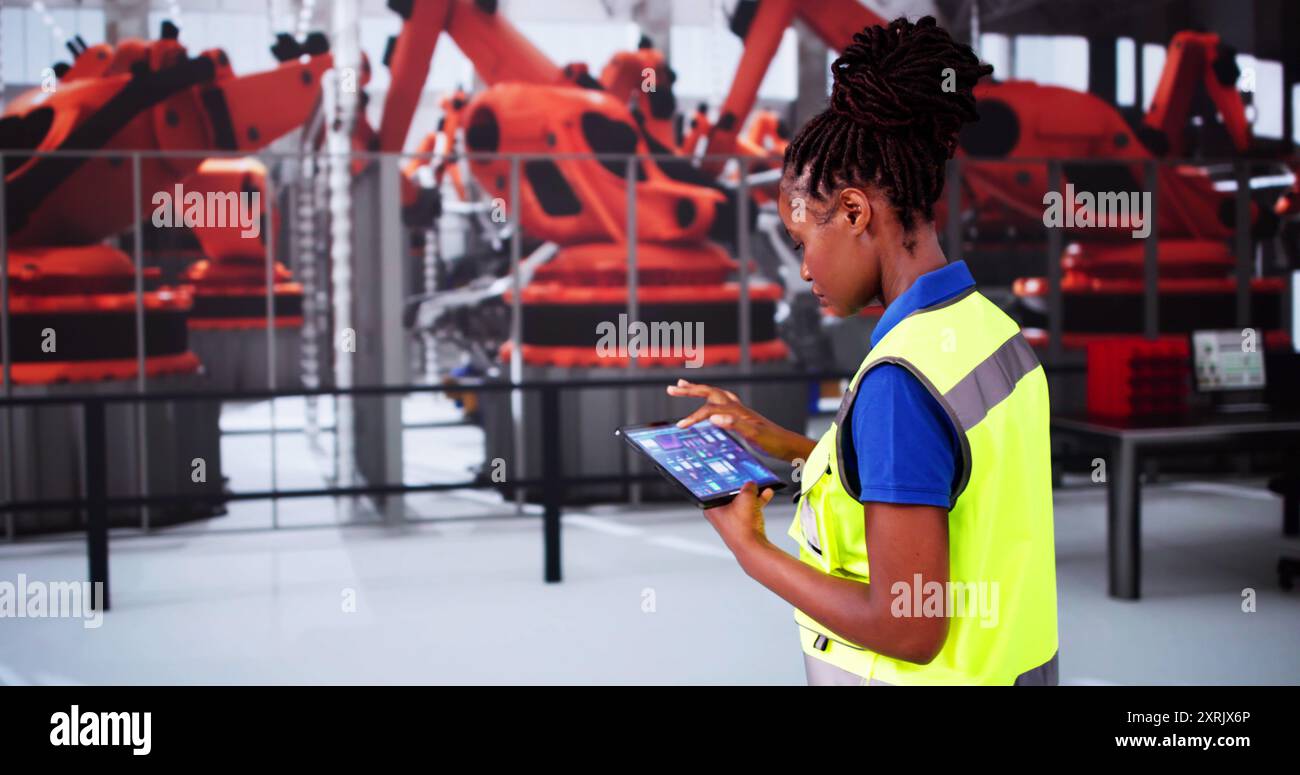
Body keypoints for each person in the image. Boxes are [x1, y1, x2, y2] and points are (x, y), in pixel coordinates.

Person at [668, 15, 1058, 685]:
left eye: (803, 244)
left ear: (853, 213)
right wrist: (785, 443)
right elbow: (936, 476)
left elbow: (905, 626)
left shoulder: (901, 382)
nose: (804, 271)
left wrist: (751, 549)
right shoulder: (987, 330)